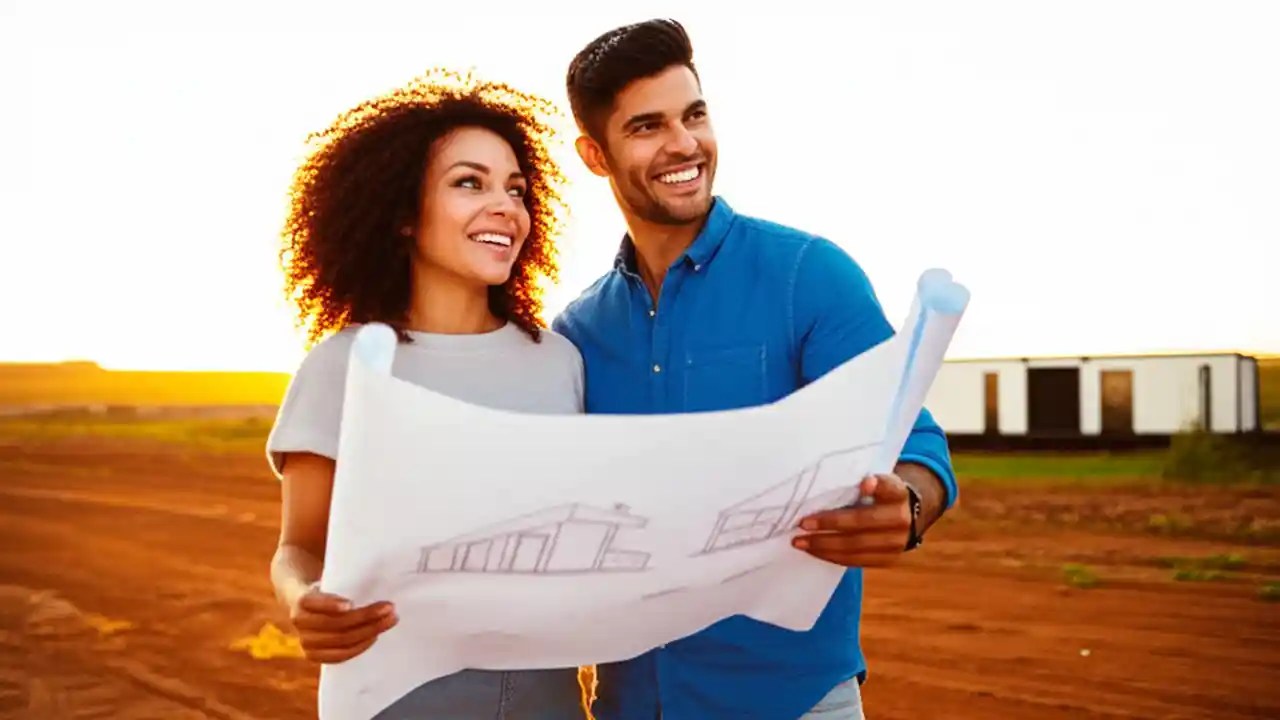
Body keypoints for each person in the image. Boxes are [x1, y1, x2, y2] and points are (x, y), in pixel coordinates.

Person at [553, 19, 960, 720]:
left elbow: (915, 442)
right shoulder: (577, 333)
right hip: (631, 703)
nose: (684, 144)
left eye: (695, 115)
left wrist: (910, 504)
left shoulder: (810, 276)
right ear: (595, 154)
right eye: (648, 127)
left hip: (797, 702)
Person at [264, 69, 588, 719]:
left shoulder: (559, 363)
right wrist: (303, 599)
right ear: (405, 215)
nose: (504, 206)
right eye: (469, 182)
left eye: (516, 189)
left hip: (545, 700)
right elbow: (299, 546)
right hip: (391, 698)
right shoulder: (344, 366)